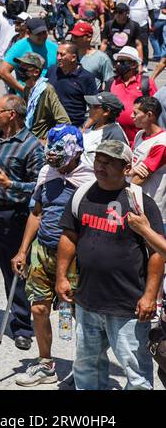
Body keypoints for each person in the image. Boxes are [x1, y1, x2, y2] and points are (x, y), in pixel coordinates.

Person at [56, 138, 164, 390]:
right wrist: (61, 276)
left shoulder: (140, 202)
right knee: (86, 366)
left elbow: (158, 253)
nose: (100, 166)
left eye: (109, 162)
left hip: (127, 305)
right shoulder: (82, 195)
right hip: (87, 301)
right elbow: (68, 237)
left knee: (136, 373)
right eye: (98, 160)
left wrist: (150, 295)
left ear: (126, 168)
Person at [10, 125, 90, 387]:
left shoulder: (90, 178)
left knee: (80, 314)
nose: (53, 160)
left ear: (74, 152)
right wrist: (22, 250)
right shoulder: (47, 172)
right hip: (42, 252)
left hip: (76, 257)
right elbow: (36, 213)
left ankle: (84, 370)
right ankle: (45, 365)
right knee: (38, 308)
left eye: (59, 154)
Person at [0, 93, 45, 350]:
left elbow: (39, 187)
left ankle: (21, 326)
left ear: (12, 115)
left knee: (14, 272)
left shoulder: (31, 146)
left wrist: (10, 184)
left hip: (13, 215)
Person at [13, 51, 71, 140]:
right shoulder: (28, 89)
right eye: (20, 66)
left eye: (25, 67)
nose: (20, 69)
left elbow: (64, 121)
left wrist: (47, 139)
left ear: (36, 72)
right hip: (27, 138)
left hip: (38, 142)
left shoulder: (46, 90)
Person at [47, 40, 100, 126]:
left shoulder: (86, 77)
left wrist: (84, 129)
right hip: (50, 126)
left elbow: (95, 107)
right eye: (57, 54)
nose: (58, 58)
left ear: (73, 57)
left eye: (62, 54)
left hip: (73, 127)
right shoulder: (52, 71)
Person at [110, 47, 157, 142]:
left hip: (141, 138)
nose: (118, 64)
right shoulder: (111, 82)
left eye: (123, 62)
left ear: (134, 64)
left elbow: (156, 110)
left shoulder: (146, 83)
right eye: (117, 61)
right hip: (115, 139)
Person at [130, 95, 166, 215]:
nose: (132, 116)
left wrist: (119, 191)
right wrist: (129, 171)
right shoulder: (140, 135)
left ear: (149, 115)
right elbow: (130, 165)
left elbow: (141, 177)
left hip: (152, 206)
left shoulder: (162, 143)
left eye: (135, 113)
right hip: (135, 200)